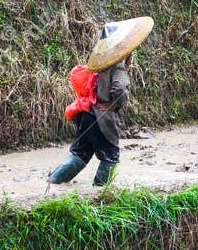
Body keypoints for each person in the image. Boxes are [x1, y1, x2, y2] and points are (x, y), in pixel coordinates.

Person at [48, 17, 152, 189]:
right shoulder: (118, 68)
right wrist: (113, 105)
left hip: (86, 114)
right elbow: (120, 90)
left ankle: (52, 183)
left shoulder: (101, 66)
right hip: (102, 119)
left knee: (80, 153)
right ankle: (99, 193)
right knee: (110, 157)